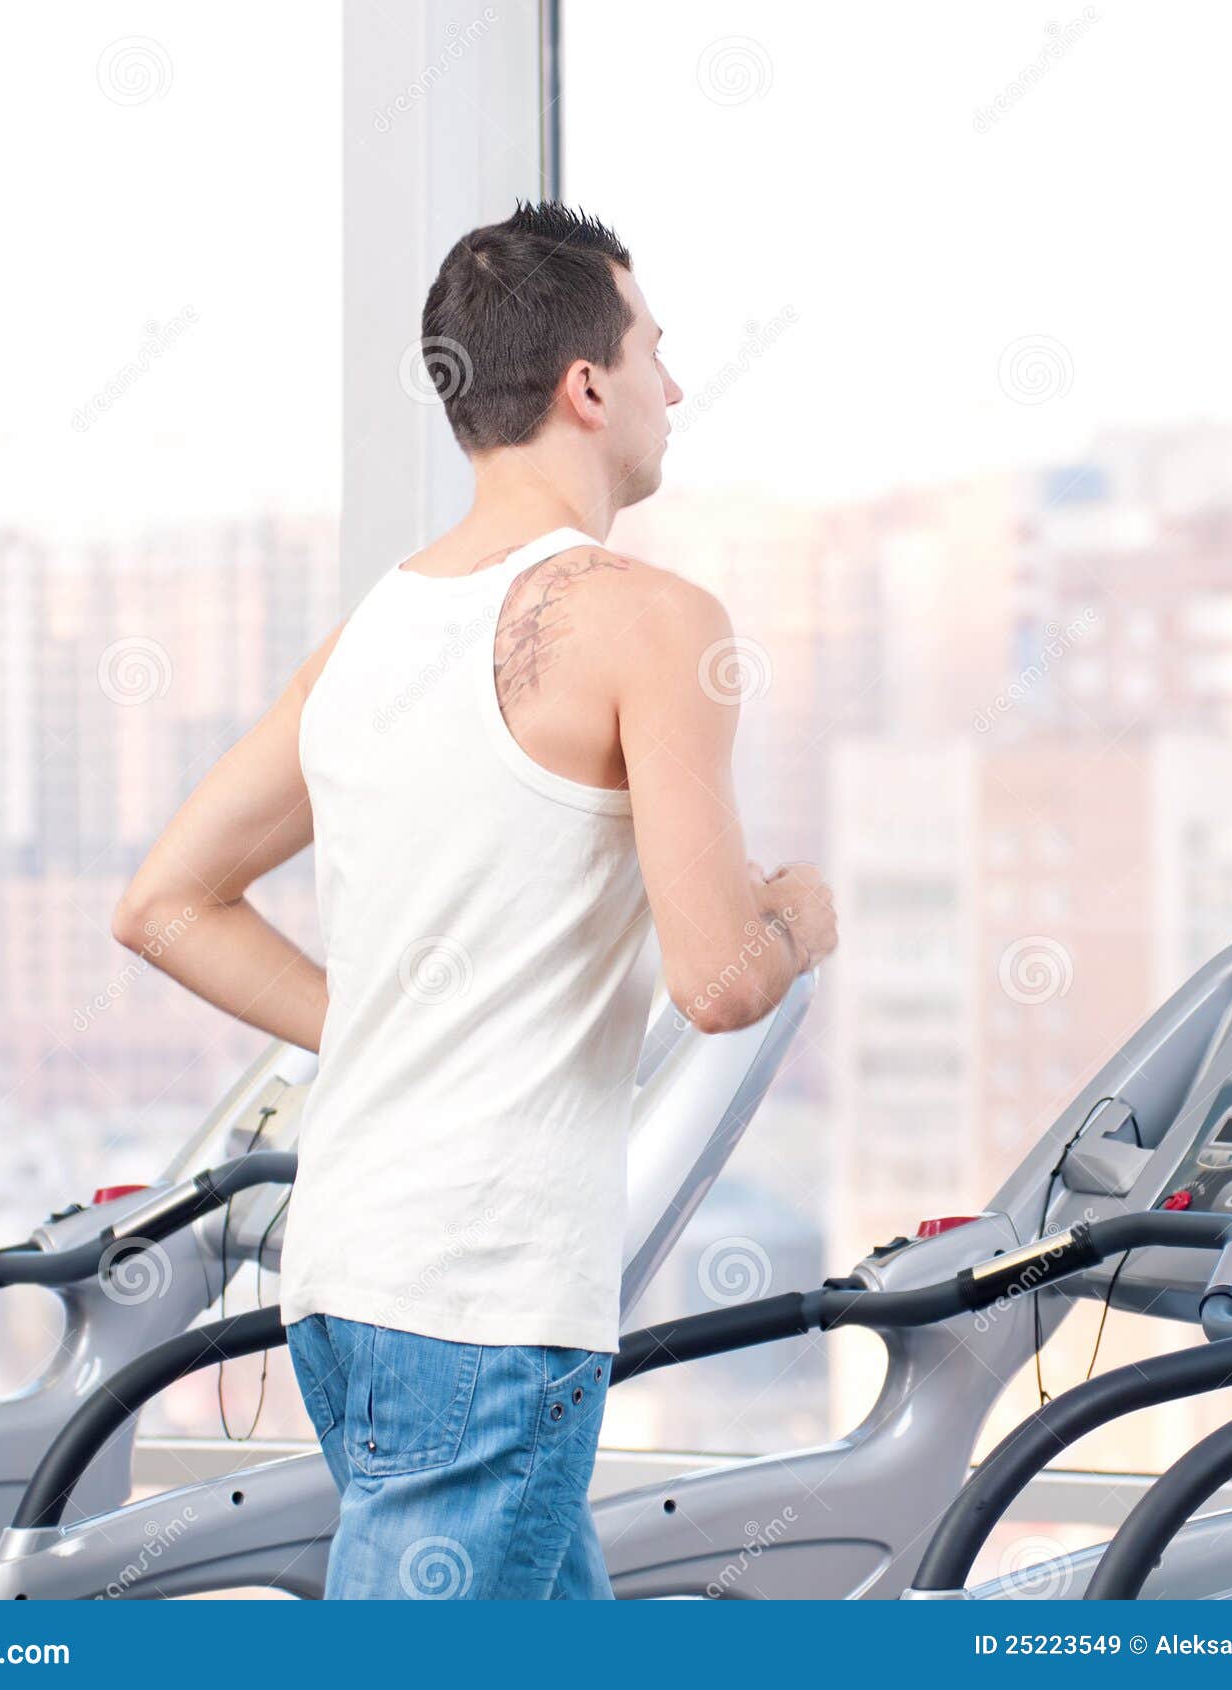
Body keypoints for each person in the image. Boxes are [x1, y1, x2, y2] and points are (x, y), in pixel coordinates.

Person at [111, 200, 839, 1598]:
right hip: (485, 1297)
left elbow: (165, 901)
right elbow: (723, 978)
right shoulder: (651, 618)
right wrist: (802, 912)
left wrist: (401, 1030)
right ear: (585, 385)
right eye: (655, 353)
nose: (674, 389)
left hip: (350, 1275)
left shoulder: (371, 632)